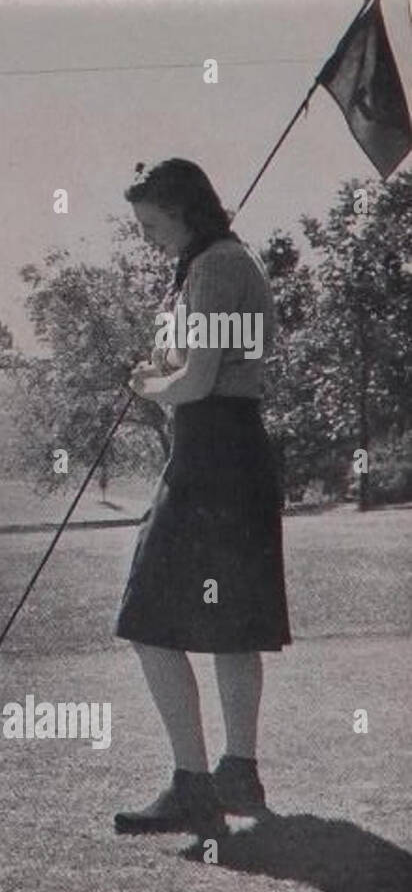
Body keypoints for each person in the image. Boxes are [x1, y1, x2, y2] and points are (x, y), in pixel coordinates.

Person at [113, 159, 291, 837]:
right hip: (232, 453)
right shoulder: (215, 263)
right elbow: (194, 366)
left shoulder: (215, 267)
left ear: (184, 210)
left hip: (212, 456)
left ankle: (195, 787)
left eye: (154, 224)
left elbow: (197, 382)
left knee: (147, 620)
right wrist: (166, 372)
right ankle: (237, 773)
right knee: (234, 626)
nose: (150, 238)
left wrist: (149, 388)